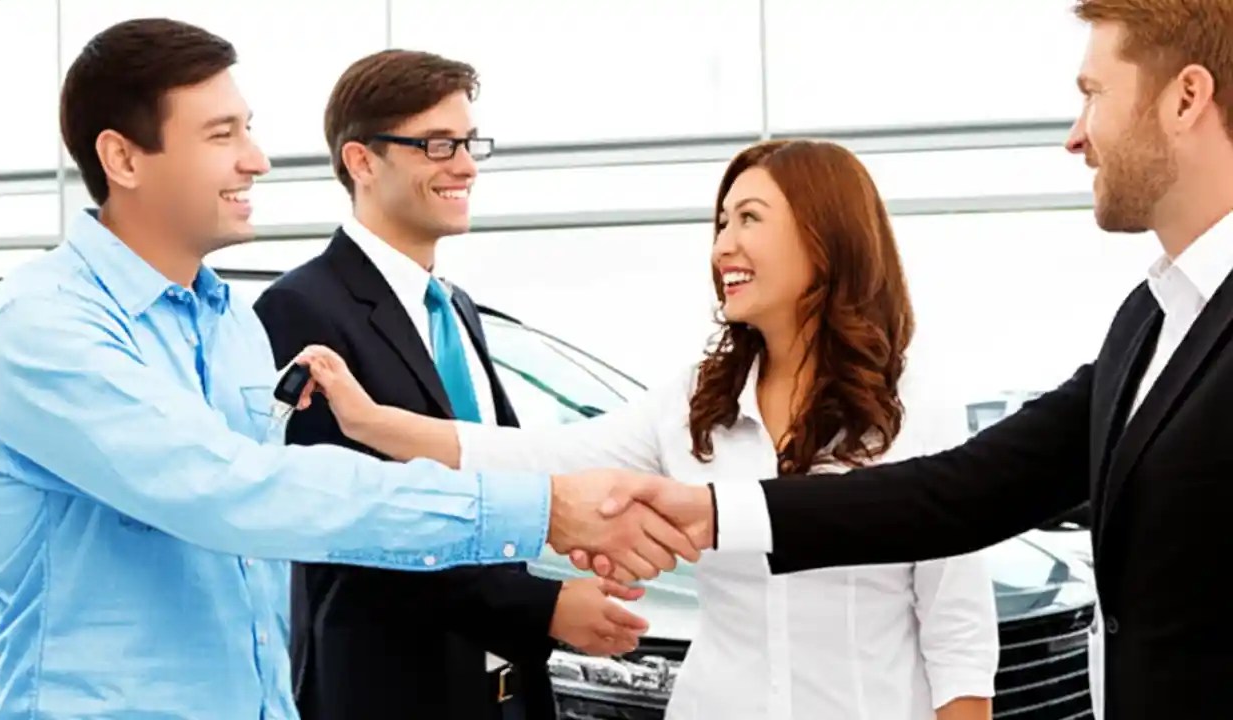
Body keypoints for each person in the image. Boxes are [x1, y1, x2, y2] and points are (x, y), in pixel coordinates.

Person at [0, 19, 696, 719]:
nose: (258, 158)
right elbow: (239, 493)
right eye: (222, 134)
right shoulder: (44, 325)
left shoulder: (233, 325)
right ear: (123, 158)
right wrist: (536, 509)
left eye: (248, 128)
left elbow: (277, 553)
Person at [570, 2, 1233, 719]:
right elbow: (961, 492)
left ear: (1186, 98)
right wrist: (712, 512)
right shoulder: (1150, 320)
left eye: (1092, 95)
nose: (1077, 138)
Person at [297, 139, 1000, 720]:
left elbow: (958, 626)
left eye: (750, 219)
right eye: (721, 223)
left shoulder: (914, 403)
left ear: (827, 236)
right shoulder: (700, 401)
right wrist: (372, 421)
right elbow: (540, 454)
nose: (724, 244)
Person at [251, 49, 639, 720]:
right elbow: (352, 528)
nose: (465, 166)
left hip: (503, 688)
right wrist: (544, 608)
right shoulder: (299, 310)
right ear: (361, 161)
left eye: (468, 144)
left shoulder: (457, 310)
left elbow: (506, 478)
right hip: (391, 690)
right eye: (437, 145)